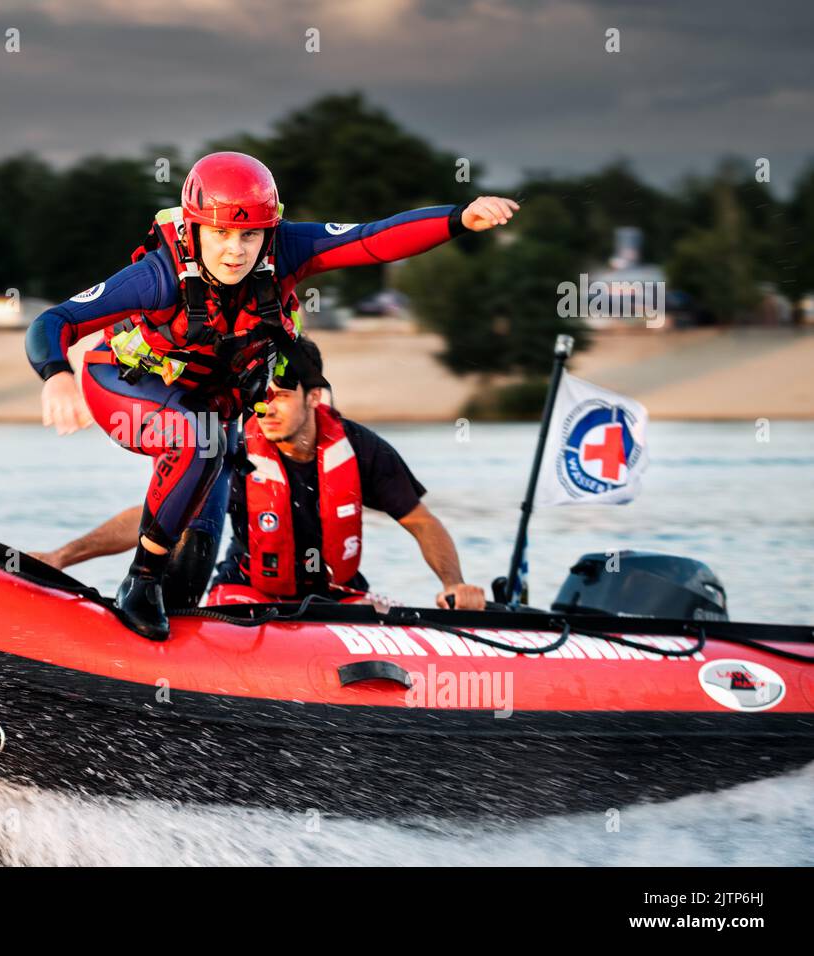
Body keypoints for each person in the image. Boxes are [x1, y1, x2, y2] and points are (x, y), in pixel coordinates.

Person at [26, 150, 515, 639]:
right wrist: (56, 375)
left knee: (194, 542)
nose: (236, 251)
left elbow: (373, 239)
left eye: (250, 235)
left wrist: (458, 218)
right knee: (200, 445)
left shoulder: (290, 249)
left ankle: (165, 655)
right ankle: (140, 582)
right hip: (123, 387)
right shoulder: (157, 277)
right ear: (195, 229)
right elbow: (54, 322)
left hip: (208, 412)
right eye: (220, 233)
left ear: (269, 230)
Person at [30, 338, 487, 611]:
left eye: (282, 395)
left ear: (315, 399)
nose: (265, 406)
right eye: (260, 395)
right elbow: (157, 513)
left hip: (338, 599)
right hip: (246, 596)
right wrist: (62, 557)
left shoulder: (361, 448)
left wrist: (452, 584)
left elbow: (422, 523)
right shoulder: (233, 444)